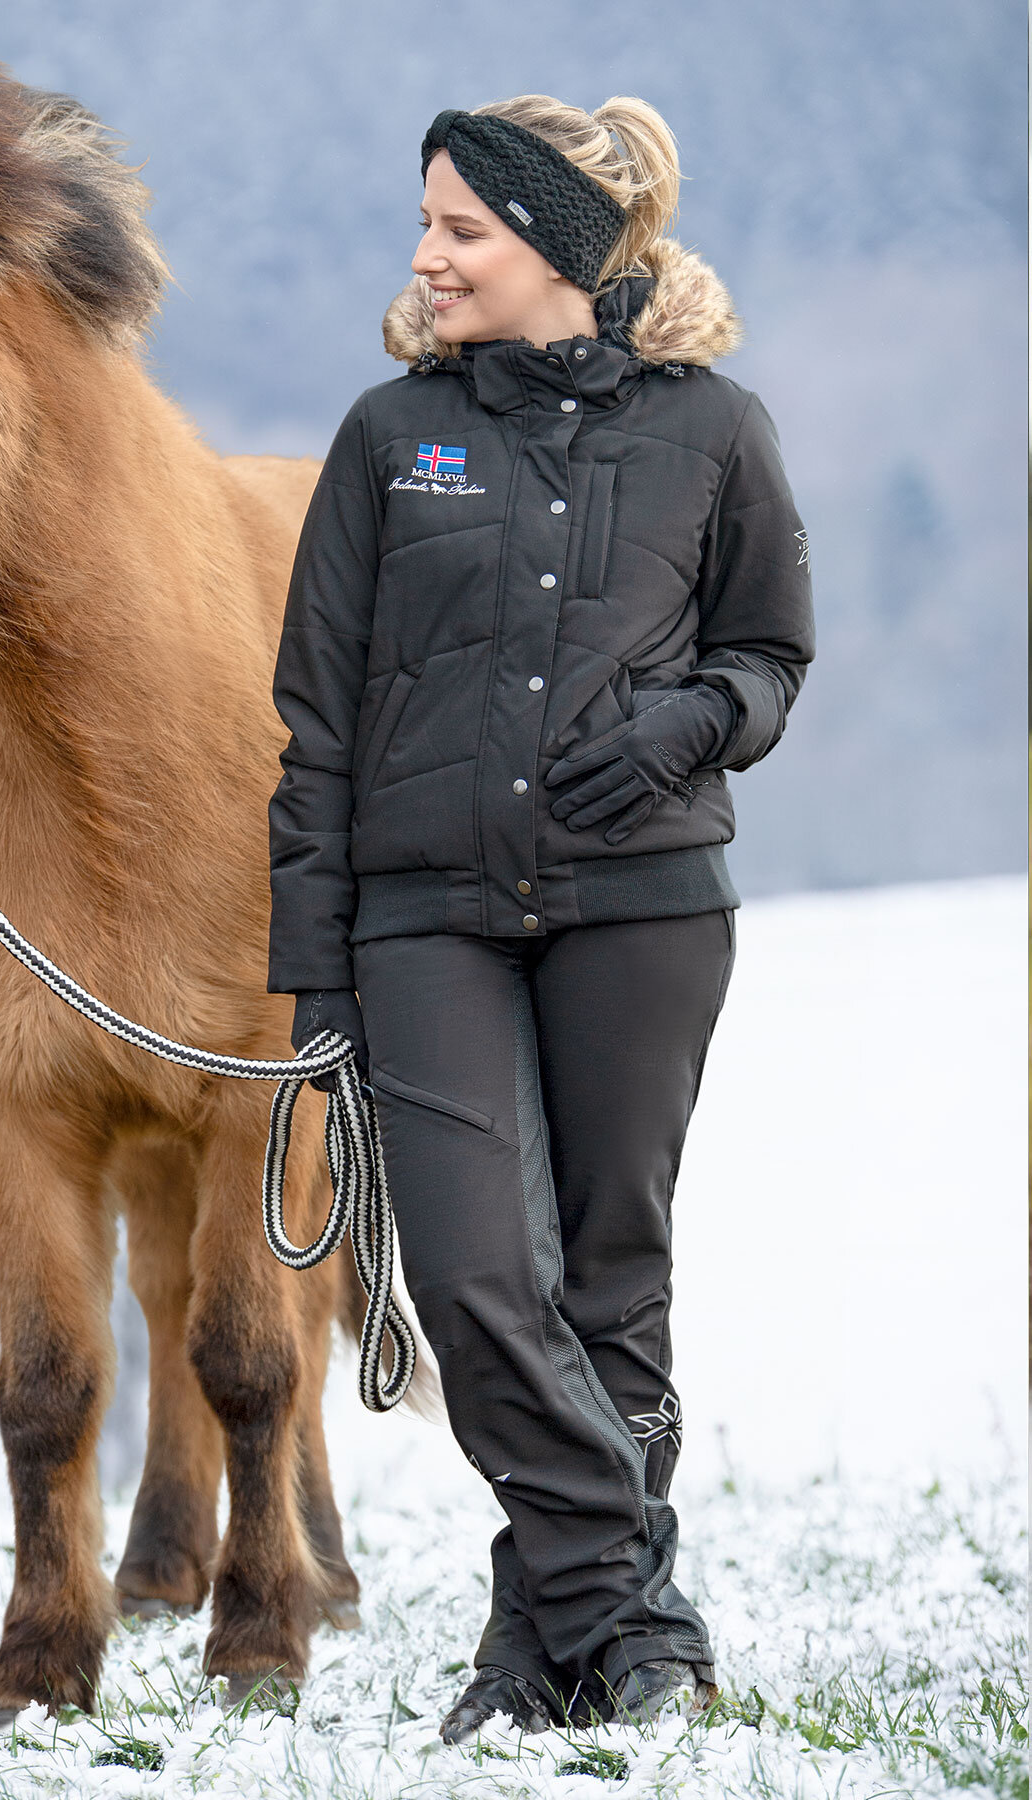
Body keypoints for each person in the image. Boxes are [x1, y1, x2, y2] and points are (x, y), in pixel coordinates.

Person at [268, 96, 814, 1741]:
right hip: (421, 919)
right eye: (427, 226)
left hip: (640, 904)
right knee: (473, 1279)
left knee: (611, 1287)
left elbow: (770, 654)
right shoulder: (388, 436)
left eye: (461, 231)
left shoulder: (714, 427)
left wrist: (686, 725)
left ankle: (545, 1652)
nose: (426, 257)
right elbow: (314, 729)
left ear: (561, 251)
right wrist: (317, 981)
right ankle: (637, 1620)